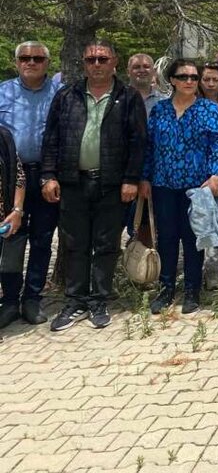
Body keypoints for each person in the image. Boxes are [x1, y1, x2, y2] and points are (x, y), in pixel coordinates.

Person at [40, 40, 146, 331]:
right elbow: (51, 138)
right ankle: (75, 301)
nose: (96, 64)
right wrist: (48, 175)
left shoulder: (128, 97)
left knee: (106, 244)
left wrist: (131, 179)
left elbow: (138, 142)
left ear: (114, 62)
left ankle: (99, 300)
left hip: (111, 183)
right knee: (74, 244)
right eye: (91, 59)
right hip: (72, 182)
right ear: (84, 63)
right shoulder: (67, 95)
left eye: (102, 59)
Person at [141, 59, 218, 315]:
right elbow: (149, 147)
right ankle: (166, 288)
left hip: (196, 186)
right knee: (166, 238)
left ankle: (192, 290)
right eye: (183, 77)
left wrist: (215, 175)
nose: (189, 81)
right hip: (163, 183)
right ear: (172, 80)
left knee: (192, 239)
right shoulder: (160, 110)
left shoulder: (208, 109)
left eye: (193, 77)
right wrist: (145, 178)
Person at [0, 41, 60, 328]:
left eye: (37, 58)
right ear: (17, 62)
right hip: (11, 177)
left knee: (42, 239)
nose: (31, 62)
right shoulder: (3, 92)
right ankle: (10, 300)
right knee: (11, 238)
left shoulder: (59, 93)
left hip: (47, 175)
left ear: (47, 63)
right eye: (25, 58)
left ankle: (32, 298)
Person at [0, 123, 25, 340]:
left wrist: (17, 210)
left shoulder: (3, 136)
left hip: (3, 217)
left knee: (7, 267)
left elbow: (19, 175)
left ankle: (10, 305)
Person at [127, 53, 167, 117]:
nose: (142, 70)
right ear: (128, 72)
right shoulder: (118, 98)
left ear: (154, 71)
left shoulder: (165, 101)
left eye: (146, 67)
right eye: (136, 67)